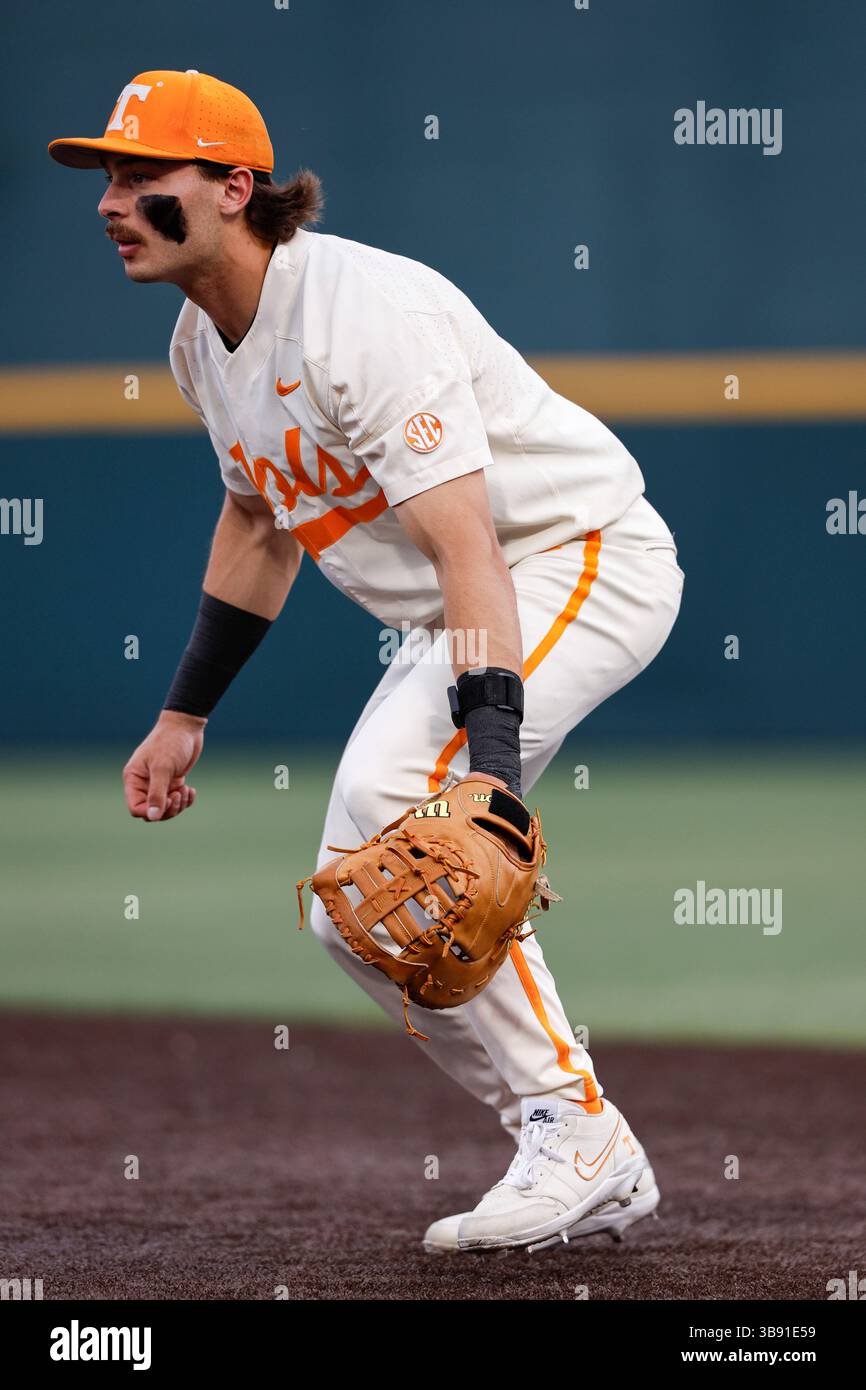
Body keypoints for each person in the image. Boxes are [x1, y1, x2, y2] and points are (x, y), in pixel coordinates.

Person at [49, 68, 684, 1254]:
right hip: (472, 601)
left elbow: (467, 548)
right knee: (356, 906)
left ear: (236, 189)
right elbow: (255, 524)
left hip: (573, 558)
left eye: (142, 175)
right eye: (107, 176)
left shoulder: (360, 317)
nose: (111, 200)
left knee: (397, 812)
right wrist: (185, 712)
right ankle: (569, 1133)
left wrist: (486, 773)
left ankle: (577, 1131)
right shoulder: (202, 340)